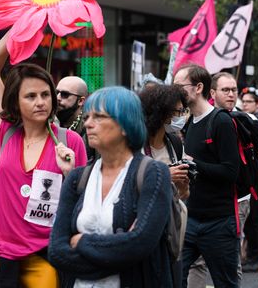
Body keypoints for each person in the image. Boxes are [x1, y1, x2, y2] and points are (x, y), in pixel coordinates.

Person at [0, 31, 87, 288]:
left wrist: (70, 172)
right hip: (2, 254)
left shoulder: (70, 141)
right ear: (15, 102)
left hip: (47, 255)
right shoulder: (6, 131)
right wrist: (23, 23)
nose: (41, 102)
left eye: (45, 94)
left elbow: (83, 200)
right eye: (30, 96)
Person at [48, 86, 175, 287]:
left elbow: (140, 243)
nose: (88, 124)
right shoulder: (77, 178)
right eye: (87, 116)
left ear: (125, 124)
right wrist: (120, 250)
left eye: (98, 117)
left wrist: (82, 242)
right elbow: (57, 251)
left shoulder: (153, 173)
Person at [173, 64, 239, 288]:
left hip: (218, 222)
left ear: (199, 87)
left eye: (179, 86)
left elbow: (231, 171)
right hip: (190, 219)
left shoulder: (221, 121)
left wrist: (194, 164)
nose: (175, 92)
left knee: (226, 283)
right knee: (174, 277)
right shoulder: (190, 122)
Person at [210, 73, 258, 280]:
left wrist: (241, 158)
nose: (231, 94)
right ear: (212, 92)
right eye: (225, 90)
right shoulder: (202, 118)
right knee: (198, 259)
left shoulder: (248, 120)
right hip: (206, 198)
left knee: (230, 257)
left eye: (234, 90)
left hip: (238, 199)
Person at [139, 83, 190, 199]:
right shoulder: (135, 145)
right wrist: (164, 176)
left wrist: (183, 188)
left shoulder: (175, 142)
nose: (183, 117)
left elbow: (182, 196)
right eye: (180, 111)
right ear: (164, 113)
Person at [55, 76, 92, 161]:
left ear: (81, 101)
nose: (58, 97)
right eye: (56, 92)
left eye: (65, 94)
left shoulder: (89, 129)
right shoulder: (48, 123)